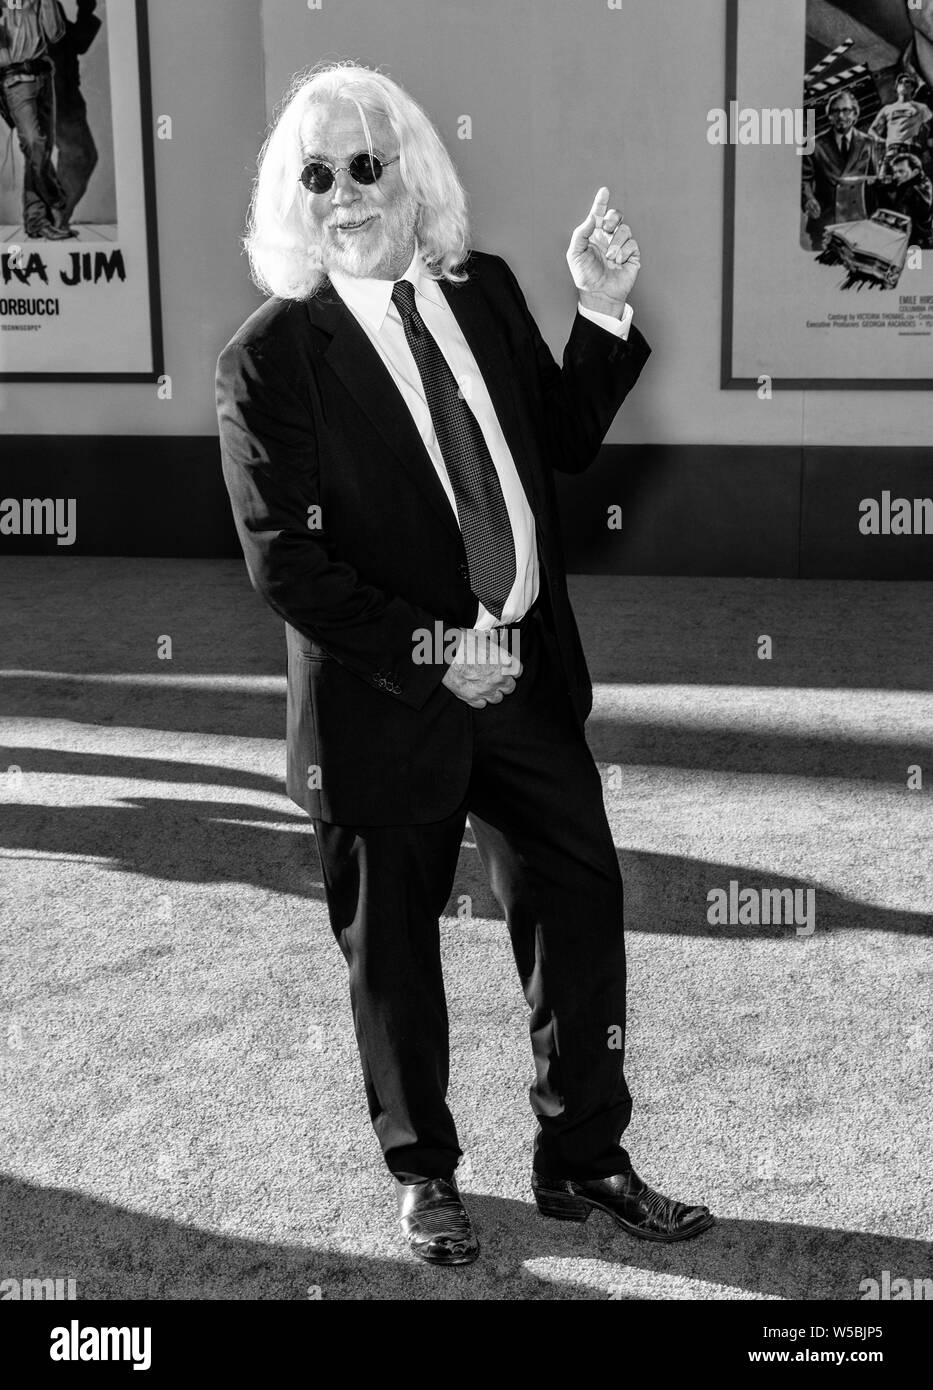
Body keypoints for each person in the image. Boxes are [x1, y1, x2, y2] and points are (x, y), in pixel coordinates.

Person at [216, 62, 713, 1267]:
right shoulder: (269, 359)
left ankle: (584, 1155)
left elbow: (559, 440)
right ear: (294, 196)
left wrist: (599, 308)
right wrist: (441, 653)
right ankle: (427, 1174)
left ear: (414, 171)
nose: (344, 193)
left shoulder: (478, 290)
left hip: (528, 676)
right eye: (316, 173)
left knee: (584, 905)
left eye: (366, 165)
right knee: (395, 952)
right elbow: (289, 563)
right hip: (390, 699)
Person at [0, 0, 73, 239]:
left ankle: (36, 220)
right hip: (15, 81)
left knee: (39, 150)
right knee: (34, 144)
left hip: (43, 77)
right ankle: (56, 198)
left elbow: (55, 33)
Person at [802, 91, 877, 249]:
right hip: (827, 222)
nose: (841, 116)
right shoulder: (813, 145)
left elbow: (875, 181)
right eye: (835, 111)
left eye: (846, 110)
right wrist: (808, 198)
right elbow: (803, 179)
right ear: (829, 116)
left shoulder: (869, 142)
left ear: (855, 113)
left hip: (859, 221)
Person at [48, 0, 101, 224]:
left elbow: (76, 42)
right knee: (79, 155)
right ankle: (55, 218)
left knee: (76, 156)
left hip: (62, 93)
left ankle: (54, 218)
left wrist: (86, 8)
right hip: (57, 93)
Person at [868, 72, 932, 172]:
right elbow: (872, 130)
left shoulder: (921, 108)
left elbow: (930, 128)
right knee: (885, 181)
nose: (903, 83)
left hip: (912, 151)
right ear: (896, 88)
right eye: (900, 82)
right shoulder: (887, 109)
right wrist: (881, 141)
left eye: (907, 82)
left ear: (912, 88)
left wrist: (925, 149)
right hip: (892, 151)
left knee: (914, 183)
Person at [875, 151, 933, 245]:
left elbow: (900, 218)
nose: (896, 176)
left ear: (915, 172)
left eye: (901, 171)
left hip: (915, 243)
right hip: (912, 240)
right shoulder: (914, 183)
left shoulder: (915, 191)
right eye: (895, 172)